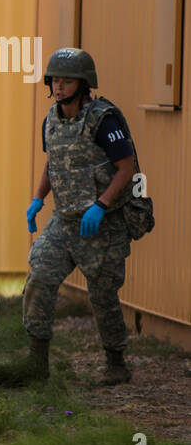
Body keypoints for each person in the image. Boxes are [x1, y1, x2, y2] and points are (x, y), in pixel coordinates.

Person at [23, 48, 147, 386]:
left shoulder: (103, 120)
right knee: (40, 277)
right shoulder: (51, 120)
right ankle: (36, 361)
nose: (59, 87)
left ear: (83, 84)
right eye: (55, 81)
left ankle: (116, 362)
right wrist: (38, 198)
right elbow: (53, 162)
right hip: (64, 221)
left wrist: (101, 205)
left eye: (67, 81)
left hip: (102, 224)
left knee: (102, 294)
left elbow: (126, 168)